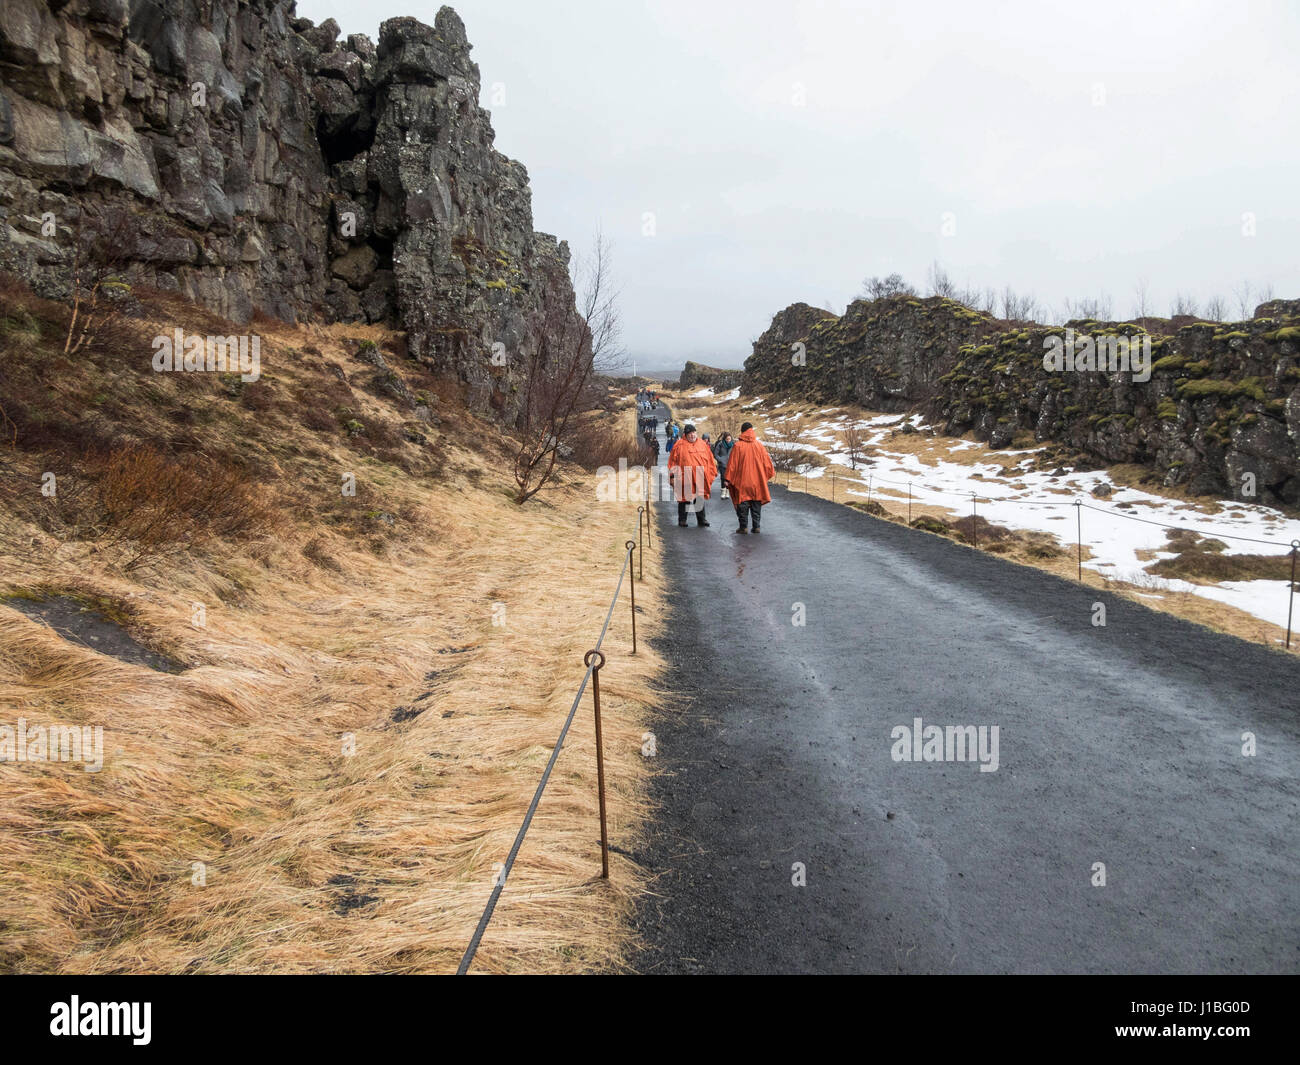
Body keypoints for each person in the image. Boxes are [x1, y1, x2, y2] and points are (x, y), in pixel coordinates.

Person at [723, 422, 775, 534]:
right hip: (757, 482)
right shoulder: (759, 445)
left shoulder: (737, 446)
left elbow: (732, 464)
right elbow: (768, 465)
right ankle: (756, 527)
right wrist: (764, 477)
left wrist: (727, 479)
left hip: (743, 481)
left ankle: (743, 527)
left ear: (742, 432)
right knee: (756, 503)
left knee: (743, 503)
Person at [667, 423, 717, 527]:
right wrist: (672, 476)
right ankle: (682, 520)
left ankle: (702, 519)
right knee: (684, 499)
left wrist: (712, 473)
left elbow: (710, 460)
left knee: (699, 498)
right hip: (684, 476)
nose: (692, 435)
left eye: (694, 432)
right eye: (690, 433)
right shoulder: (679, 445)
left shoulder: (703, 444)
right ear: (685, 434)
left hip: (700, 476)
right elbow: (673, 462)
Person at [712, 432, 735, 499]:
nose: (728, 440)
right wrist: (720, 459)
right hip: (723, 464)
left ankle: (727, 491)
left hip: (731, 464)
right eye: (727, 439)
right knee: (723, 478)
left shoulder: (734, 445)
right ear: (724, 439)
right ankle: (723, 491)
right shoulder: (720, 444)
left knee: (729, 478)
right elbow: (715, 454)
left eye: (729, 439)